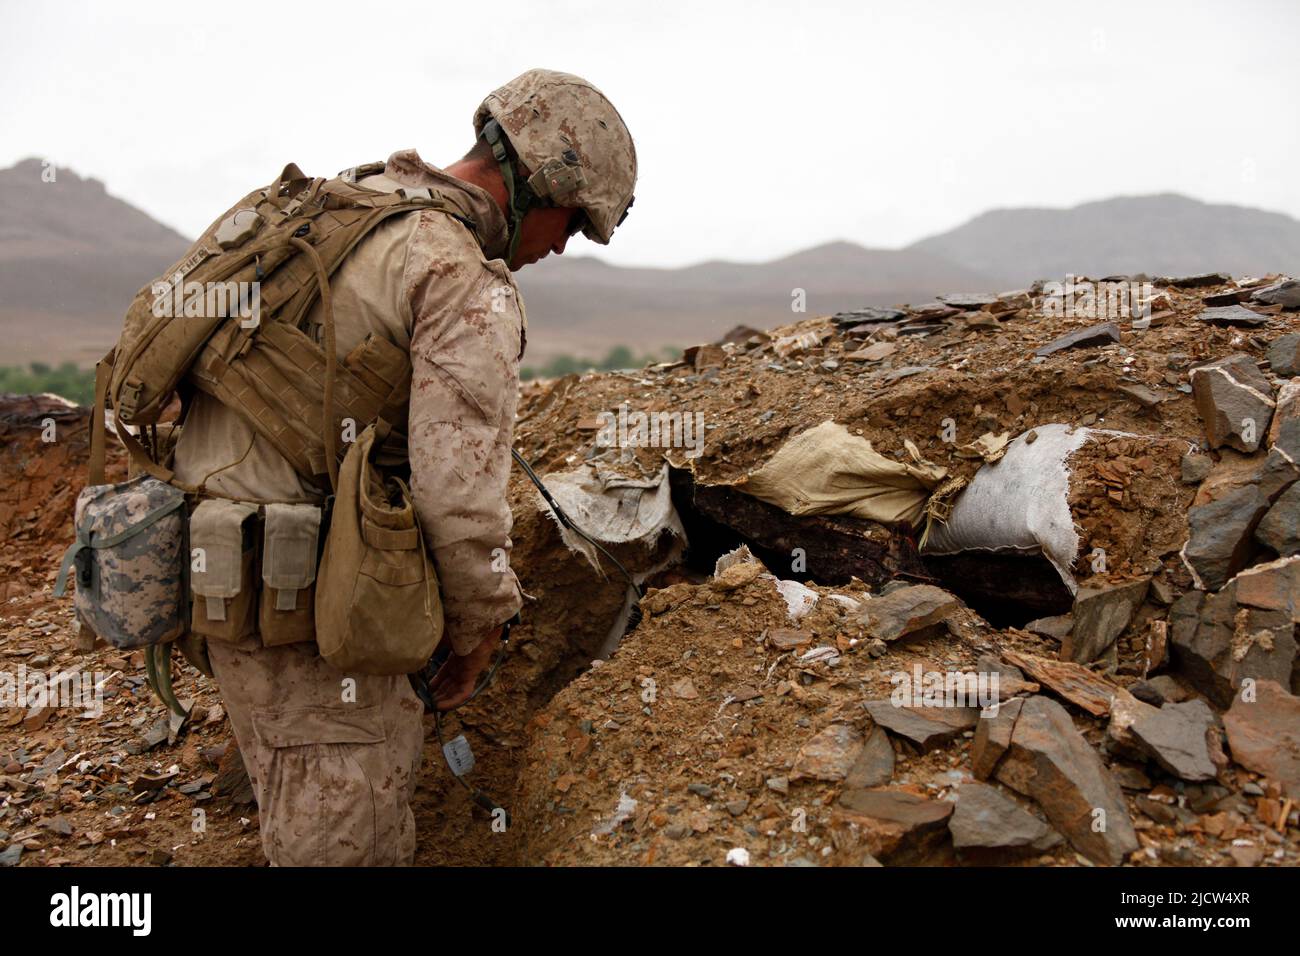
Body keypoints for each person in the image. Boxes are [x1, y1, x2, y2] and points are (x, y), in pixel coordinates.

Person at [171, 69, 636, 865]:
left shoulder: (336, 210)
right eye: (569, 223)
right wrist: (478, 626)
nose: (559, 247)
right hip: (314, 624)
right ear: (541, 184)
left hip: (215, 579)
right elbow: (460, 497)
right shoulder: (455, 273)